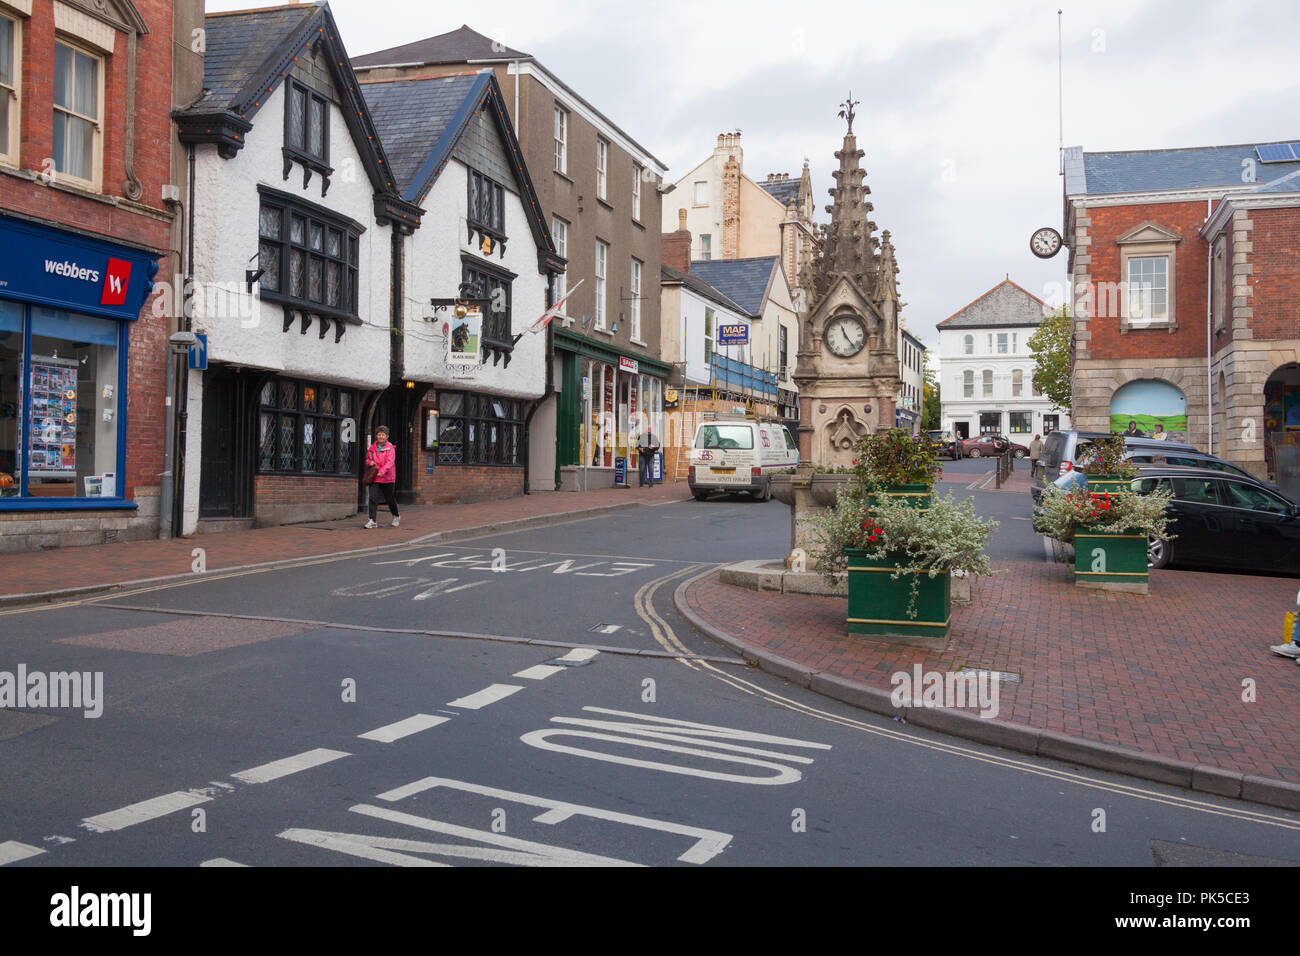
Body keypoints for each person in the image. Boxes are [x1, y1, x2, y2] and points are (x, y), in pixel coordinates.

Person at [364, 426, 399, 528]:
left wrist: (382, 471)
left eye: (383, 435)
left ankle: (396, 516)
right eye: (379, 434)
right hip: (375, 477)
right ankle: (372, 520)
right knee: (373, 498)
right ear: (376, 436)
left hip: (387, 477)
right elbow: (367, 459)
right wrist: (369, 462)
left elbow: (390, 462)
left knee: (390, 499)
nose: (381, 436)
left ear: (387, 436)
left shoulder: (390, 448)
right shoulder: (372, 448)